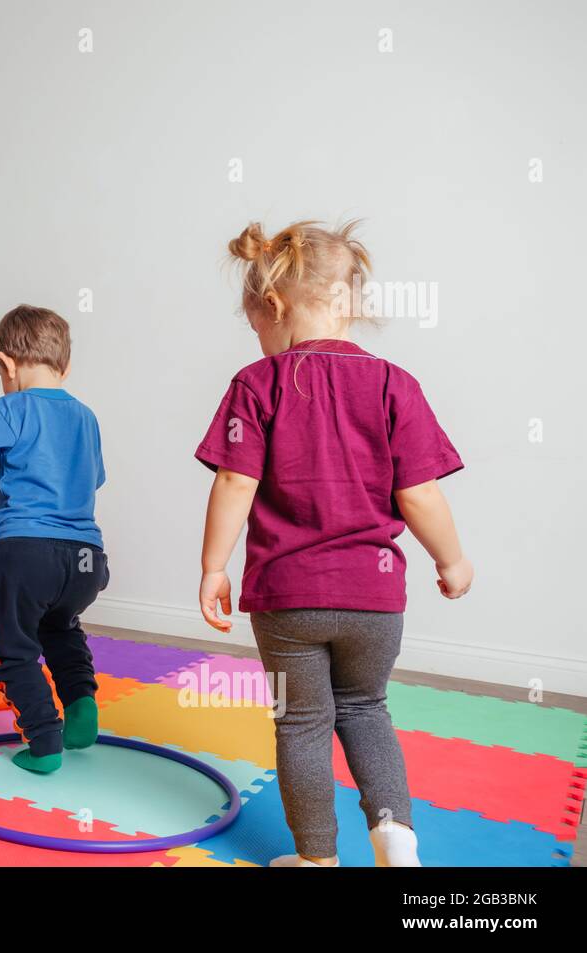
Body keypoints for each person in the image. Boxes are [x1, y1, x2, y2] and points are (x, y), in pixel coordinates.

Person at [195, 220, 472, 867]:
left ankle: (317, 859)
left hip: (289, 601)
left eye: (256, 324)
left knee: (303, 724)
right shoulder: (394, 384)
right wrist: (451, 559)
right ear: (348, 300)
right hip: (375, 600)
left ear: (277, 306)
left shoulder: (256, 384)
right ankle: (397, 841)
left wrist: (213, 567)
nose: (259, 341)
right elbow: (421, 495)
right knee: (367, 709)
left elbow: (236, 479)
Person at [0, 304, 109, 774]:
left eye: (1, 372)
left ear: (7, 364)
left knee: (16, 648)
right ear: (66, 366)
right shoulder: (86, 416)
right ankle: (81, 711)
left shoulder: (7, 407)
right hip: (85, 559)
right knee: (60, 627)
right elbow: (92, 480)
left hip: (25, 553)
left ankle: (43, 741)